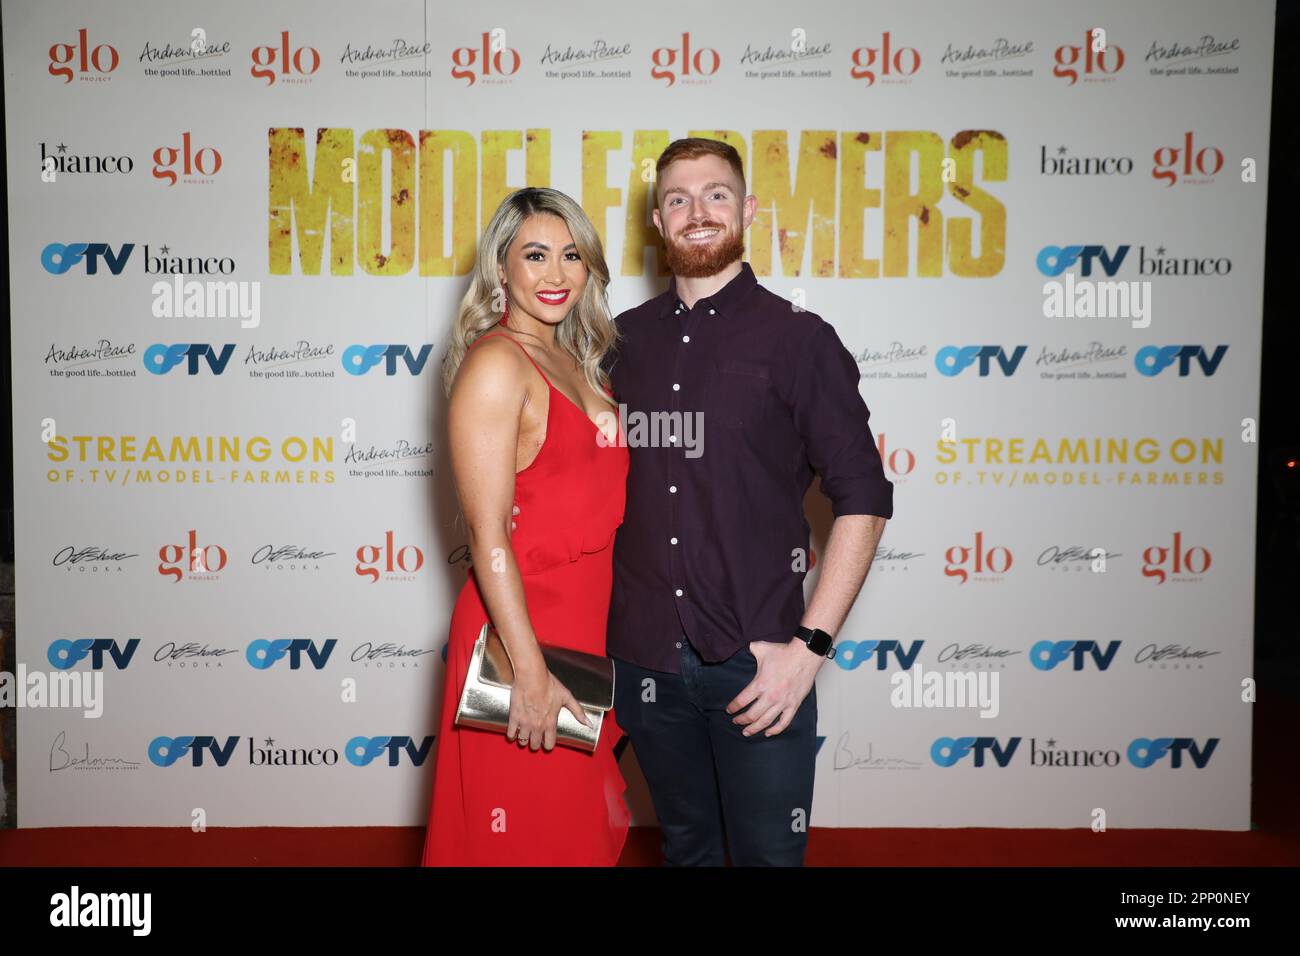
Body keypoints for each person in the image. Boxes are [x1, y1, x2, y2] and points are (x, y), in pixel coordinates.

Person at [578, 137, 893, 865]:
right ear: (657, 220)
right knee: (686, 851)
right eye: (678, 198)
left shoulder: (799, 341)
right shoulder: (619, 344)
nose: (698, 211)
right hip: (644, 663)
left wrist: (810, 651)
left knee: (767, 859)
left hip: (759, 666)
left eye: (715, 194)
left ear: (747, 210)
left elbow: (865, 499)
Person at [421, 187, 630, 866]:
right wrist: (530, 672)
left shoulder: (579, 362)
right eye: (535, 255)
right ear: (500, 267)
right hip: (521, 637)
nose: (556, 274)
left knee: (571, 838)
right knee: (524, 841)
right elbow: (488, 536)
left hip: (582, 634)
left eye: (572, 255)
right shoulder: (496, 363)